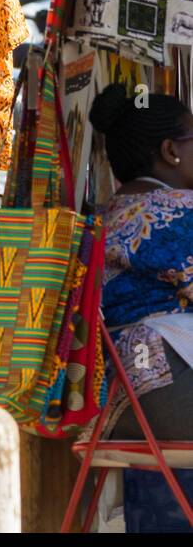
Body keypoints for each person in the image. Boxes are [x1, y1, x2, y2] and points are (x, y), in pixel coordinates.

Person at [88, 83, 193, 440]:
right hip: (172, 394)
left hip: (115, 398)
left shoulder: (104, 214)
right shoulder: (180, 210)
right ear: (170, 151)